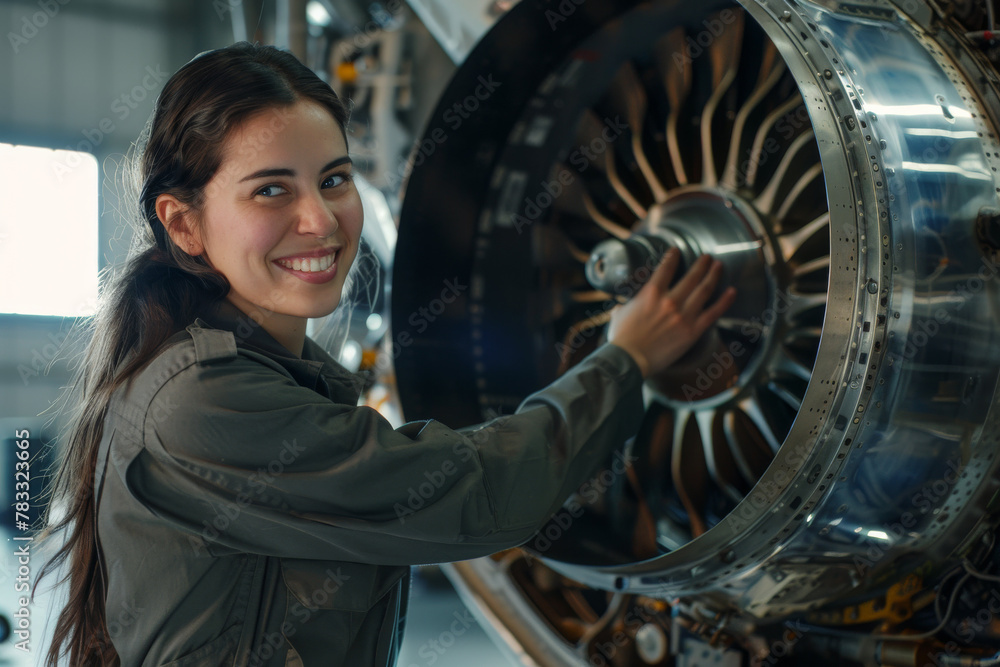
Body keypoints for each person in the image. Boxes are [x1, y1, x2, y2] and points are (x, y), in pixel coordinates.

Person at [36, 42, 736, 667]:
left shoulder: (257, 370)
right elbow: (466, 491)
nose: (321, 220)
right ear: (184, 223)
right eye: (272, 190)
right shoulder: (200, 400)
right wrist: (627, 359)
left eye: (334, 179)